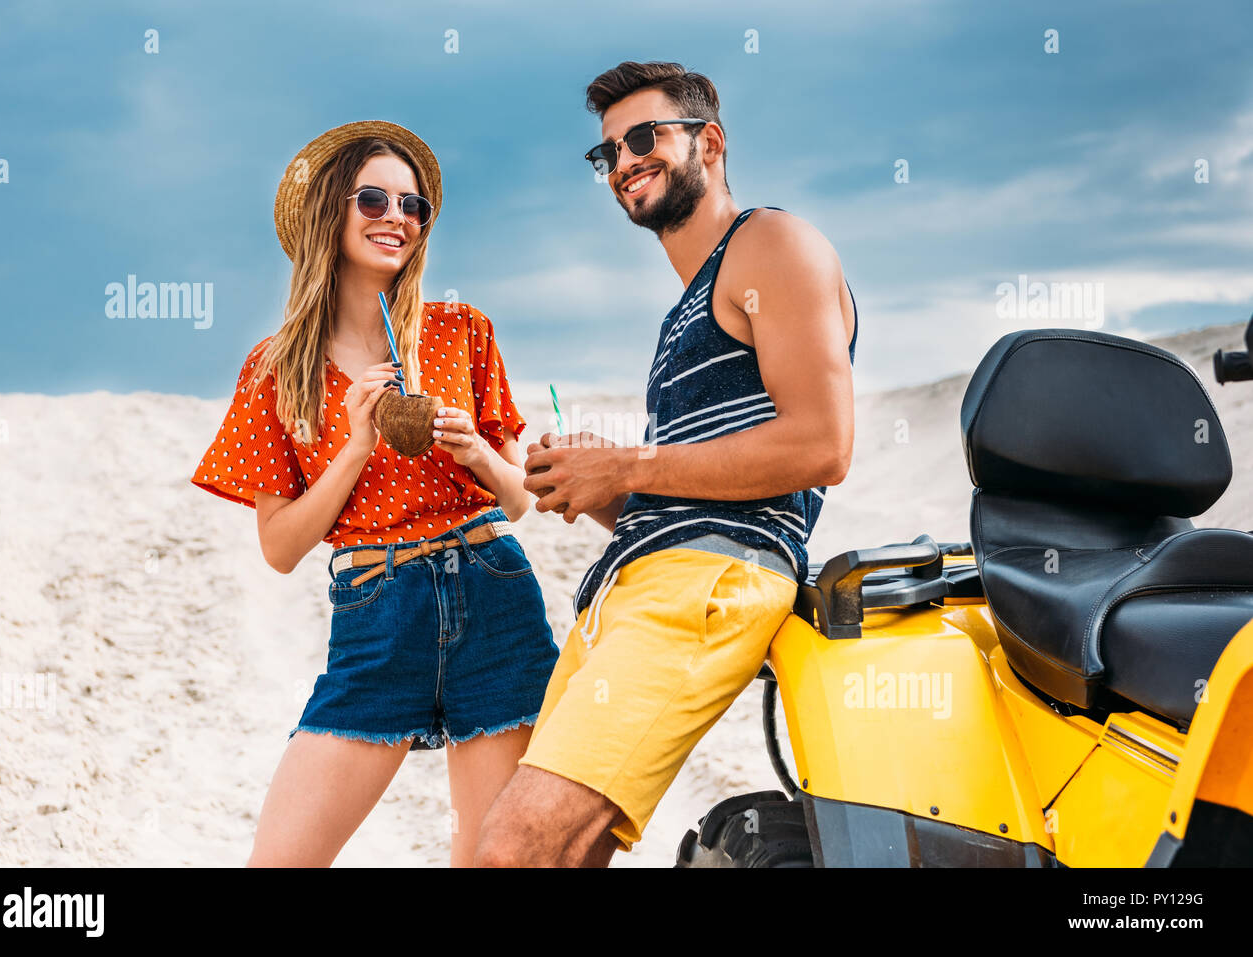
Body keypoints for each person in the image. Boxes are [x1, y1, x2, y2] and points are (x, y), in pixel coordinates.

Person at [475, 62, 858, 867]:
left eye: (644, 138)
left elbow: (822, 445)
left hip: (706, 585)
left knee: (516, 846)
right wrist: (596, 481)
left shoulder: (771, 243)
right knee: (541, 848)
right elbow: (695, 487)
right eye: (607, 152)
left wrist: (629, 463)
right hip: (641, 581)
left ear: (709, 142)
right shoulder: (687, 308)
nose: (622, 163)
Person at [190, 120, 558, 867]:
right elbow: (280, 546)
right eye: (373, 199)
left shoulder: (462, 331)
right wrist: (356, 446)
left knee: (491, 861)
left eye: (412, 206)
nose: (397, 217)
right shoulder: (275, 369)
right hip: (378, 608)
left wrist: (477, 450)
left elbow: (519, 500)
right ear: (330, 209)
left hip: (492, 592)